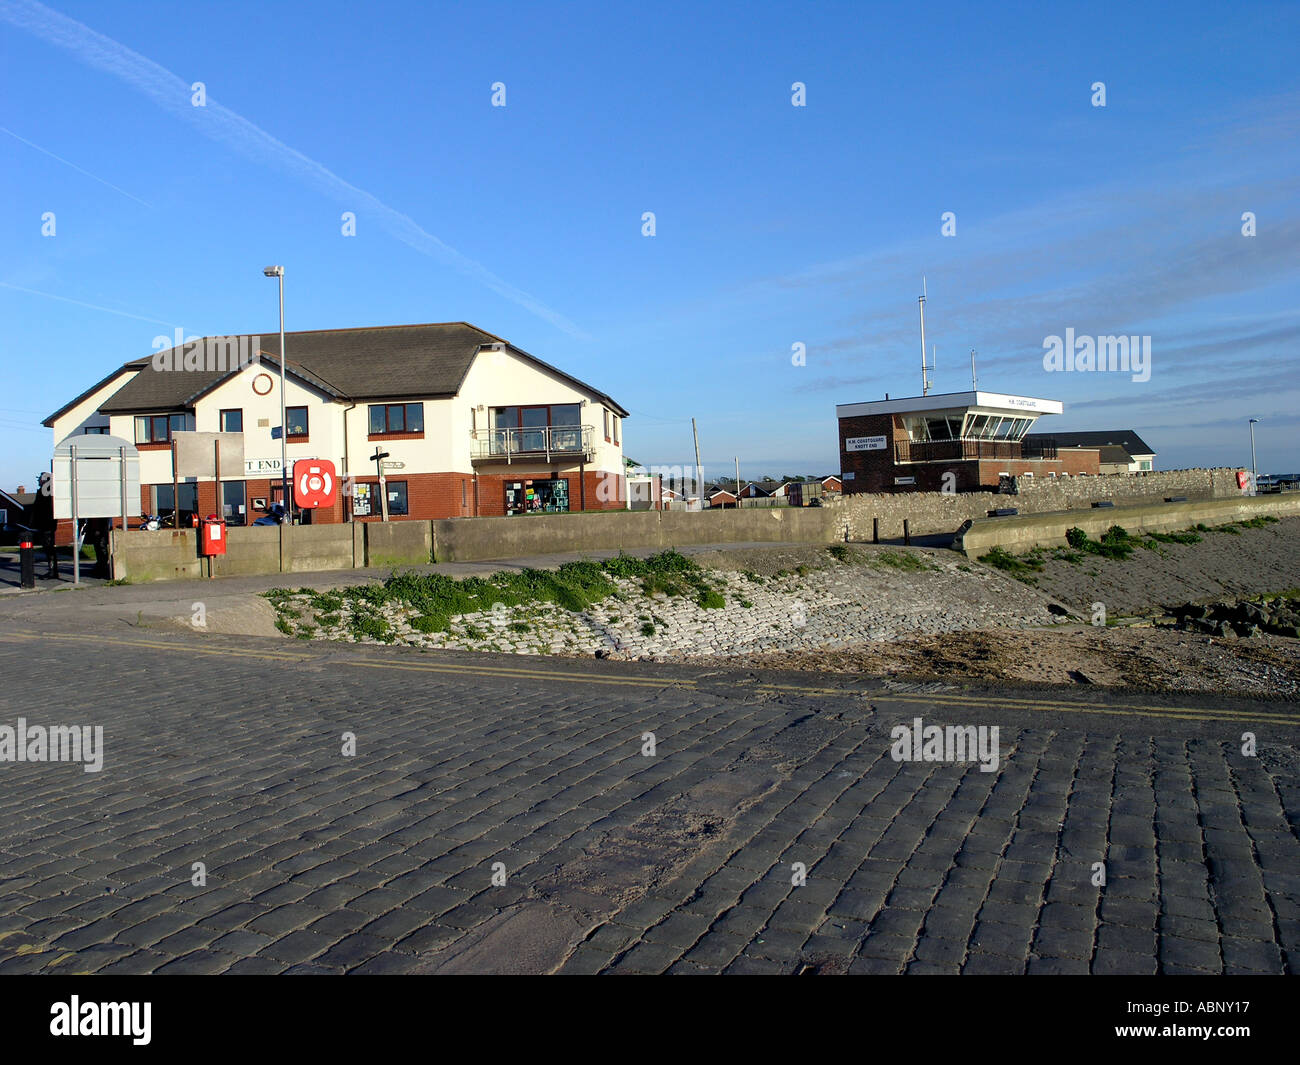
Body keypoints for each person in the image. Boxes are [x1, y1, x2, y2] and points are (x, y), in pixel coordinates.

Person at [31, 472, 58, 579]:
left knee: (49, 547)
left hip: (47, 525)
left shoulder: (46, 493)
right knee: (48, 548)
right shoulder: (45, 492)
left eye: (40, 479)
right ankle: (52, 570)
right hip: (46, 524)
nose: (38, 481)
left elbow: (42, 510)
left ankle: (53, 571)